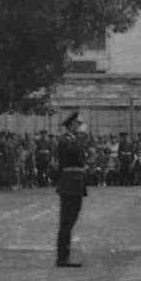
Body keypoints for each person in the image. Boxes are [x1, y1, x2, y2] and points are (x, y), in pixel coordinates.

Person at [55, 111, 88, 268]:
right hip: (69, 184)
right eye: (78, 124)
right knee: (66, 222)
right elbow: (72, 151)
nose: (80, 127)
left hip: (76, 184)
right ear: (71, 125)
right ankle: (62, 257)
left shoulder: (73, 140)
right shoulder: (65, 140)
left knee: (71, 220)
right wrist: (81, 137)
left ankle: (64, 255)